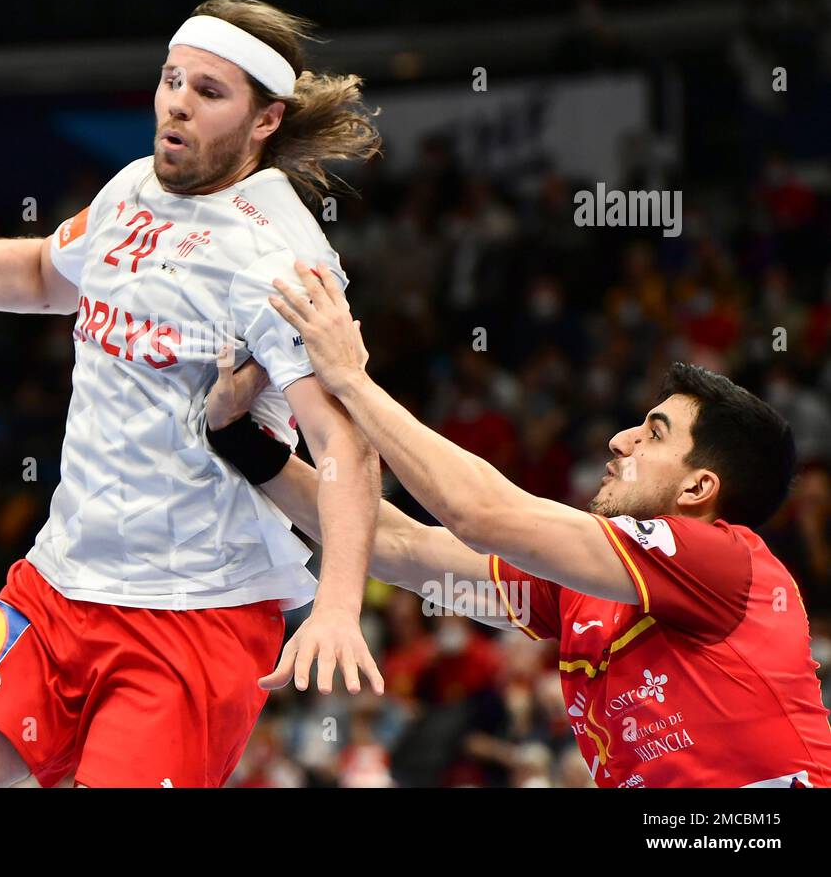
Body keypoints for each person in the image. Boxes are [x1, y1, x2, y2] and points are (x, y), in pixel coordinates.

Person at [0, 0, 386, 787]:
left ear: (265, 121)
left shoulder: (281, 259)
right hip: (54, 593)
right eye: (172, 80)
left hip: (189, 625)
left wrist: (337, 607)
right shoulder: (132, 190)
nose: (177, 104)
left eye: (209, 91)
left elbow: (345, 443)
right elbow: (39, 274)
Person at [203, 263, 831, 787]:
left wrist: (351, 381)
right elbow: (397, 546)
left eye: (652, 435)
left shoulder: (723, 559)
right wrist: (245, 443)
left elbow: (482, 514)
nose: (619, 440)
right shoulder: (585, 585)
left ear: (699, 487)